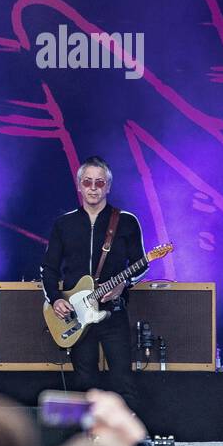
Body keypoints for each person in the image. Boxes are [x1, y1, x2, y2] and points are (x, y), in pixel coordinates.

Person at [40, 156, 147, 406]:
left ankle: (124, 440)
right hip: (76, 315)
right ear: (79, 185)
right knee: (84, 382)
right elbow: (49, 268)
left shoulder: (126, 221)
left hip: (113, 312)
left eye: (100, 183)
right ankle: (88, 441)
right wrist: (56, 299)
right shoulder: (64, 224)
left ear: (108, 187)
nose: (93, 188)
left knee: (123, 381)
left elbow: (142, 264)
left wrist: (123, 284)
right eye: (87, 182)